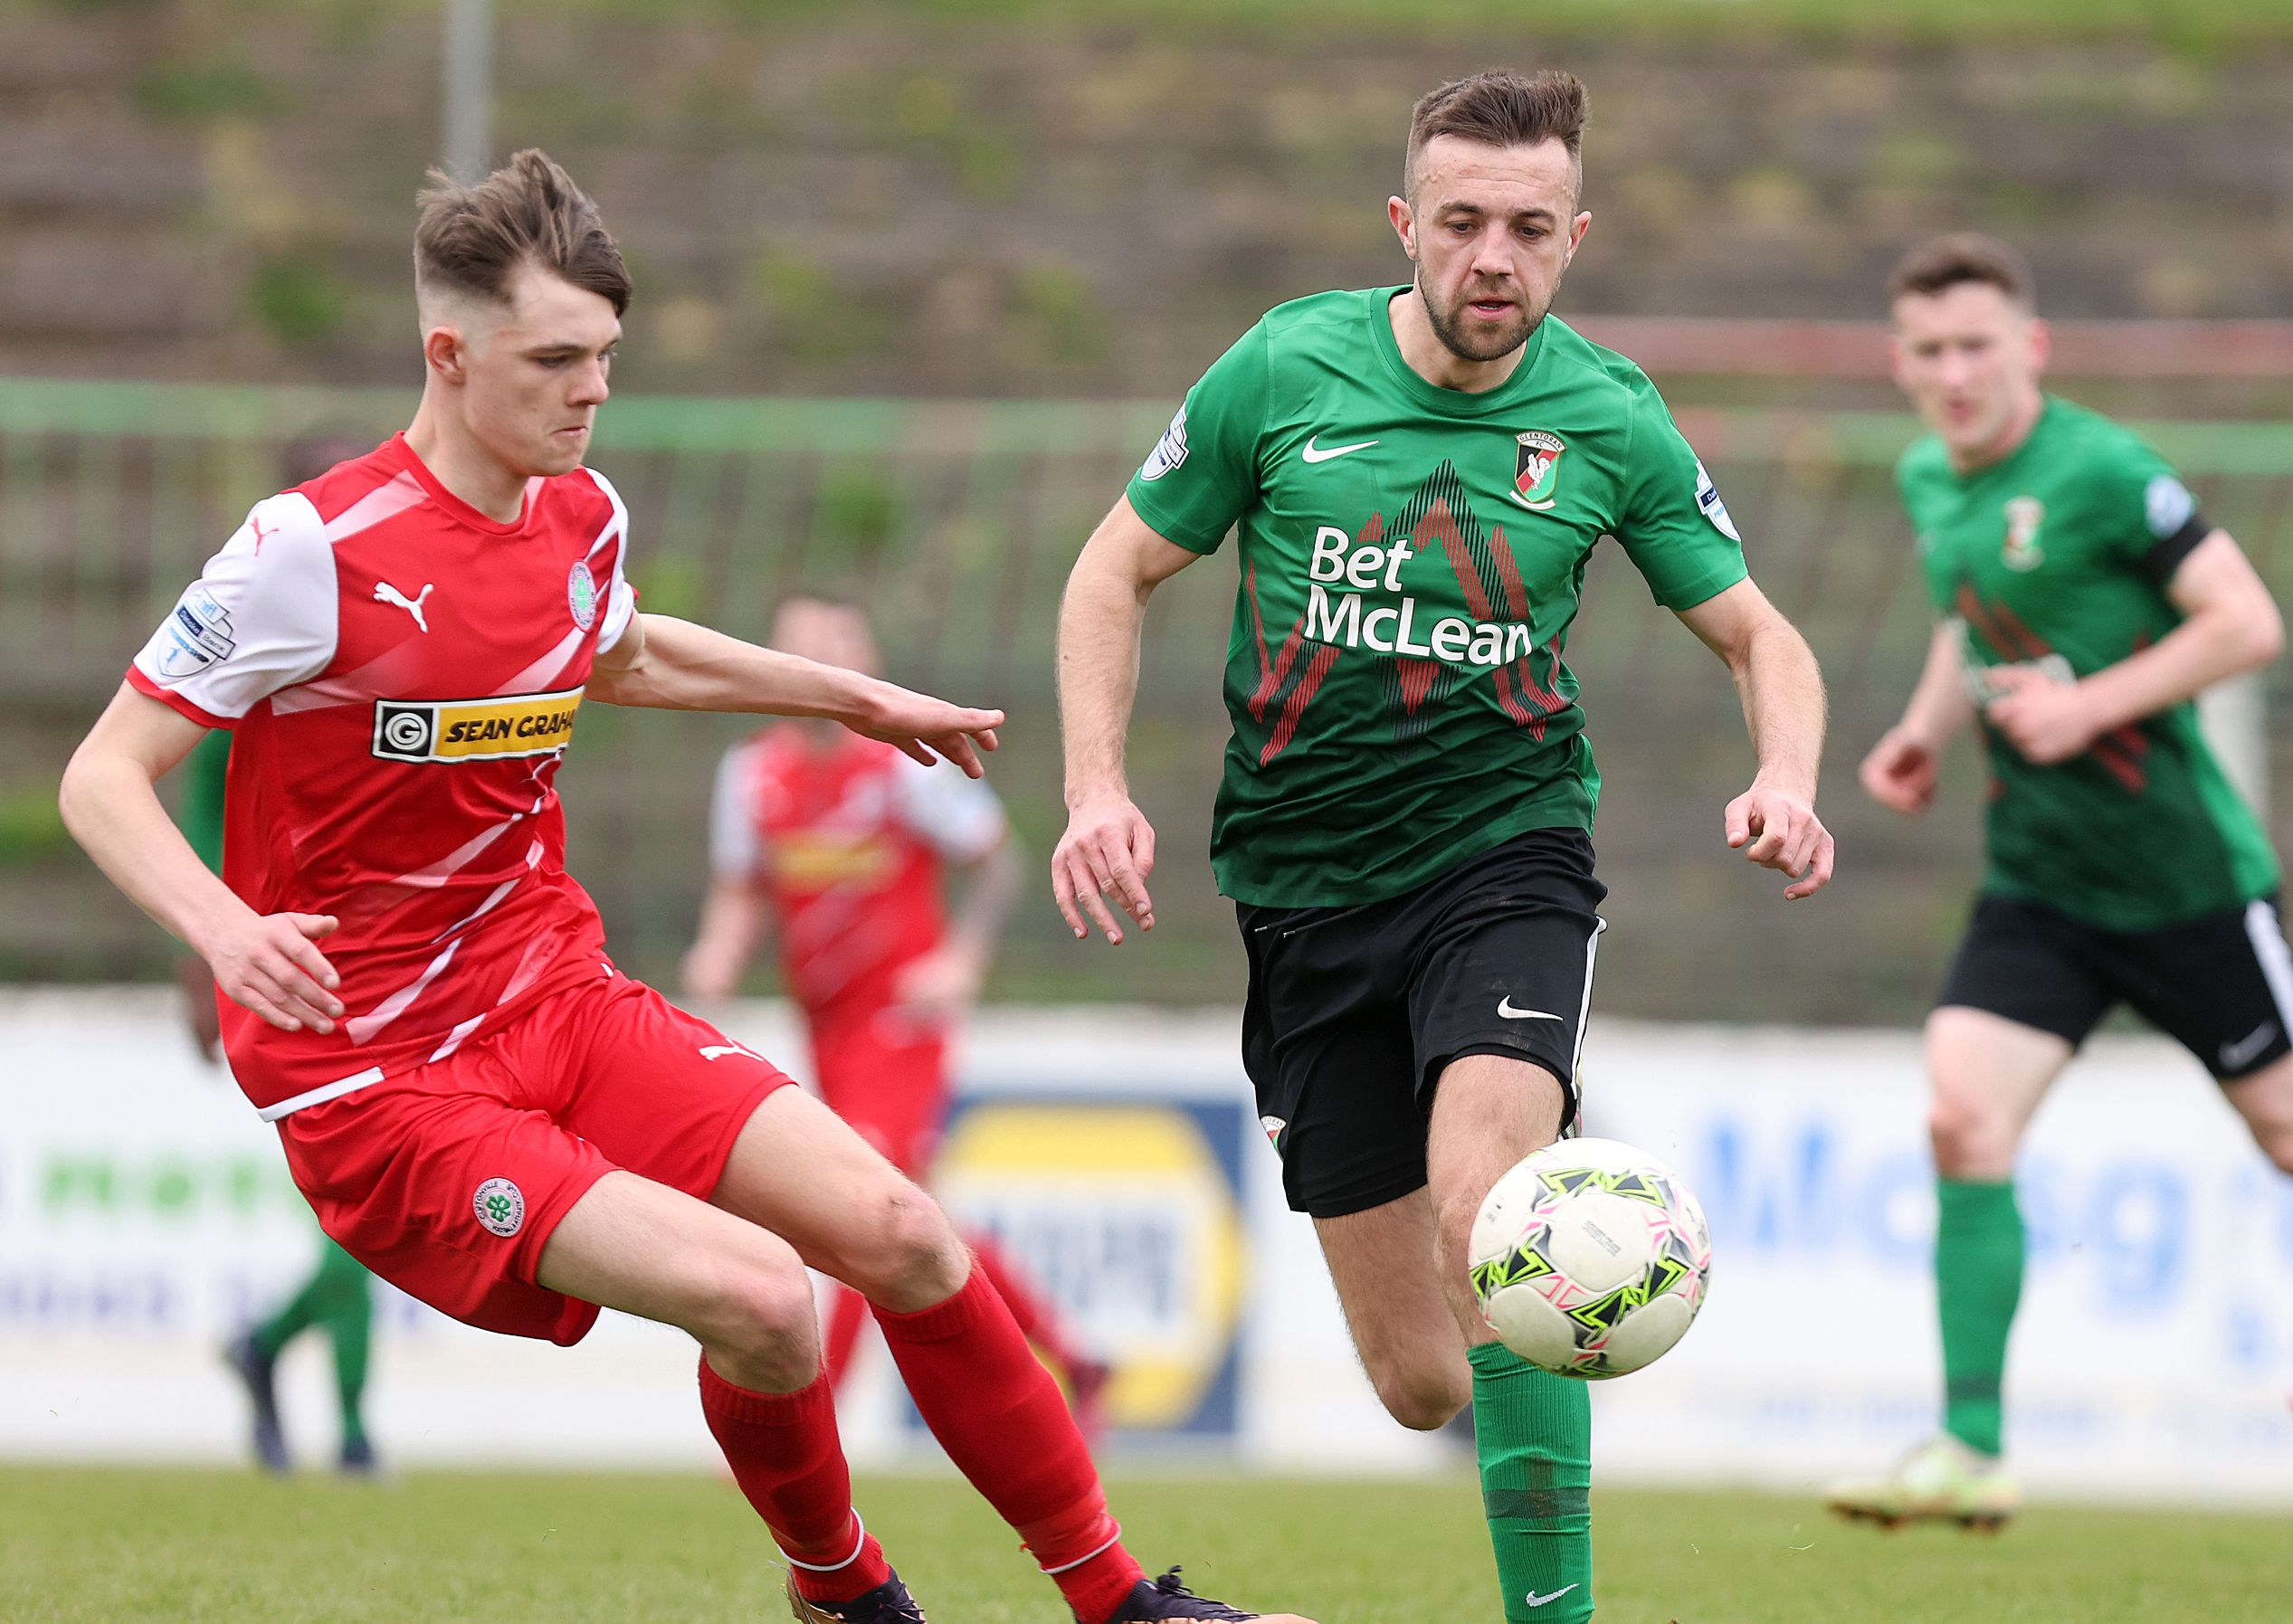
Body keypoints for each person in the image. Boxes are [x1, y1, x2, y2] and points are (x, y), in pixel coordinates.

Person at [60, 149, 1306, 1624]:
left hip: (556, 996)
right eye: (554, 360)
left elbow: (625, 650)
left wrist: (847, 697)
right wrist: (224, 927)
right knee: (769, 1302)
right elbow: (103, 776)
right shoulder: (310, 552)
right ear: (447, 356)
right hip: (380, 1072)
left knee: (903, 1234)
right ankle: (844, 1592)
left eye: (604, 358)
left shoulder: (576, 517)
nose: (589, 391)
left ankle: (1118, 1607)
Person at [1052, 70, 1833, 1624]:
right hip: (1295, 892)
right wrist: (1094, 788)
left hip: (1503, 858)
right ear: (1404, 223)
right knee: (1418, 1381)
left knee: (1496, 1208)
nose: (1493, 256)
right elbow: (1107, 573)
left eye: (1527, 229)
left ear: (1571, 239)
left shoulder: (1604, 416)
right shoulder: (1282, 370)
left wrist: (1786, 776)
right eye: (1462, 221)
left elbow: (1759, 635)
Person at [1829, 233, 2293, 1529]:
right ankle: (1969, 1443)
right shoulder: (1931, 476)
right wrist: (1930, 724)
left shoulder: (2098, 469)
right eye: (1928, 351)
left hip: (2182, 881)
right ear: (1899, 365)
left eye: (1977, 344)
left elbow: (2246, 621)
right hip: (2039, 885)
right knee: (1960, 1121)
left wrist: (2089, 705)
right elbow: (1967, 613)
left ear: (2029, 346)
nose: (1954, 372)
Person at [684, 592, 1109, 1421]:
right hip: (828, 1024)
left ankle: (811, 1413)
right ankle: (1074, 1356)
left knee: (855, 1213)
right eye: (801, 649)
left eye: (836, 647)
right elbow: (740, 892)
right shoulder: (750, 774)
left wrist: (960, 960)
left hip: (901, 1019)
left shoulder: (900, 769)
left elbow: (998, 865)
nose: (821, 666)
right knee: (911, 1214)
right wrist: (720, 949)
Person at [173, 439, 387, 1479]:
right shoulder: (243, 676)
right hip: (285, 974)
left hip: (392, 963)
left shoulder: (395, 662)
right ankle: (348, 1431)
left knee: (373, 1210)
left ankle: (269, 1354)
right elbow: (197, 832)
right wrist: (200, 968)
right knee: (361, 1209)